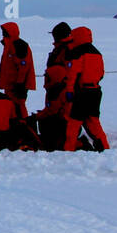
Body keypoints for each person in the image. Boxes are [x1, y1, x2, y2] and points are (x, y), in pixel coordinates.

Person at [63, 27, 110, 151]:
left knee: (73, 123)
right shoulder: (97, 53)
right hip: (95, 92)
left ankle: (69, 150)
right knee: (94, 122)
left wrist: (69, 91)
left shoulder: (78, 53)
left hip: (82, 92)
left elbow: (73, 74)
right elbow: (101, 74)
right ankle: (105, 147)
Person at [33, 22, 74, 150]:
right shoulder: (61, 49)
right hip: (54, 87)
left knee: (61, 114)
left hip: (60, 88)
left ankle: (62, 141)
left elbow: (68, 70)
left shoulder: (67, 50)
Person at [0, 21, 37, 118]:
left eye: (4, 31)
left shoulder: (19, 45)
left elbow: (24, 66)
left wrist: (20, 83)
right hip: (10, 85)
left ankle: (24, 126)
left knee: (19, 107)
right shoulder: (9, 45)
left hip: (17, 85)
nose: (3, 33)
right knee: (12, 107)